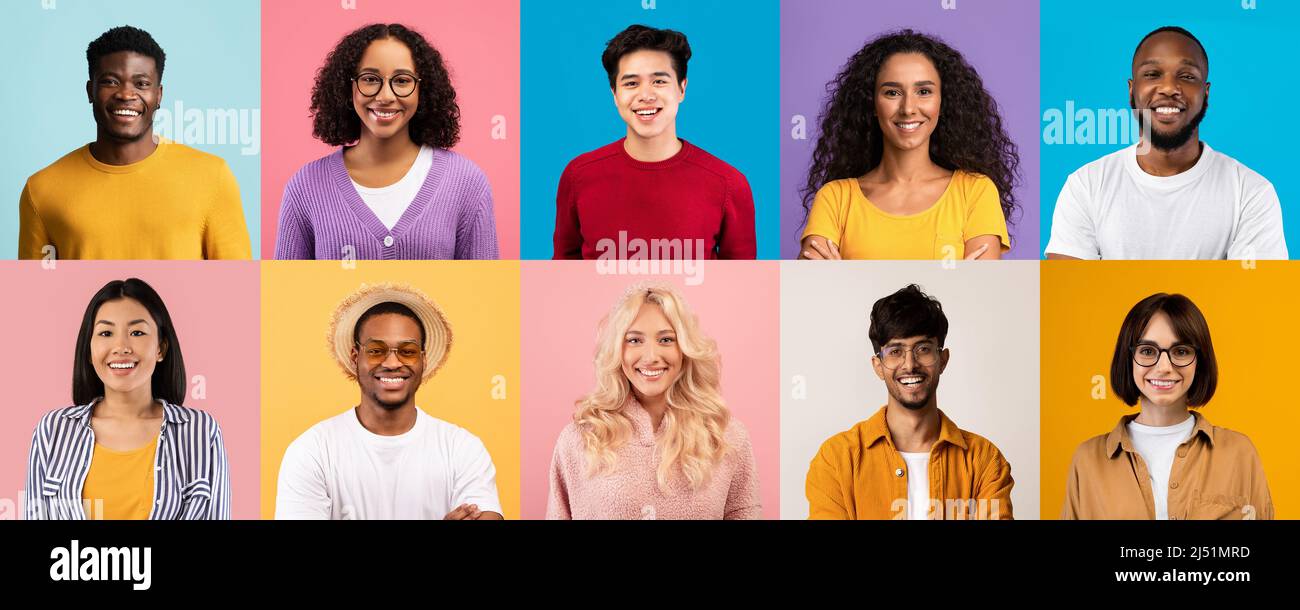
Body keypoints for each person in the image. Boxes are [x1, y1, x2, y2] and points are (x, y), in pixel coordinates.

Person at [1045, 26, 1287, 260]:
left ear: (1206, 93)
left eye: (1187, 76)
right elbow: (1069, 296)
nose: (1170, 88)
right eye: (1152, 74)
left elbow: (1253, 298)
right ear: (1131, 90)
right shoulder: (1085, 186)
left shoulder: (1251, 193)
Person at [18, 26, 251, 260]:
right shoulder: (42, 190)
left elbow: (236, 289)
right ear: (91, 91)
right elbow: (34, 293)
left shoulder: (212, 177)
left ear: (158, 95)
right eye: (110, 81)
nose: (126, 94)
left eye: (141, 84)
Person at [275, 283, 502, 520]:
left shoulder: (463, 448)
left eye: (407, 351)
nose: (393, 363)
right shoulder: (312, 452)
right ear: (355, 357)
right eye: (376, 350)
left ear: (422, 359)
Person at [275, 23, 498, 260]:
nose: (385, 96)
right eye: (370, 79)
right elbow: (286, 294)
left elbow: (485, 292)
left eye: (402, 81)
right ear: (347, 87)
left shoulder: (466, 184)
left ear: (423, 89)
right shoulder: (305, 188)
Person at [546, 282, 761, 519]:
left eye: (666, 340)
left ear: (685, 348)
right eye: (635, 340)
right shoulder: (580, 438)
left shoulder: (727, 436)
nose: (650, 357)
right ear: (617, 349)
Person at [800, 30, 1017, 261]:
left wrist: (847, 284)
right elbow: (815, 292)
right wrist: (953, 284)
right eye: (892, 92)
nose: (908, 108)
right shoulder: (835, 199)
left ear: (943, 102)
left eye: (924, 92)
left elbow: (981, 293)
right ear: (872, 103)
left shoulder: (976, 192)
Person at [26, 278, 231, 520]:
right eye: (105, 333)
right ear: (89, 352)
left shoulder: (201, 432)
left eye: (136, 332)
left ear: (161, 348)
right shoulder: (52, 431)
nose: (121, 346)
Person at [806, 284, 1013, 519]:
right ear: (878, 366)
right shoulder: (836, 458)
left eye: (923, 349)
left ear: (942, 359)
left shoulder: (984, 459)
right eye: (895, 351)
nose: (910, 364)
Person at [552, 25, 756, 260]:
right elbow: (563, 276)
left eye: (659, 81)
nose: (646, 95)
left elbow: (742, 285)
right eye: (631, 83)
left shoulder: (728, 184)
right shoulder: (578, 175)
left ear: (681, 88)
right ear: (614, 94)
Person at [1062, 293, 1272, 519]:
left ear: (1199, 361)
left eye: (1180, 351)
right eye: (1147, 351)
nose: (1164, 367)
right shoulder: (1087, 460)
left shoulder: (1239, 453)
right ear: (1128, 358)